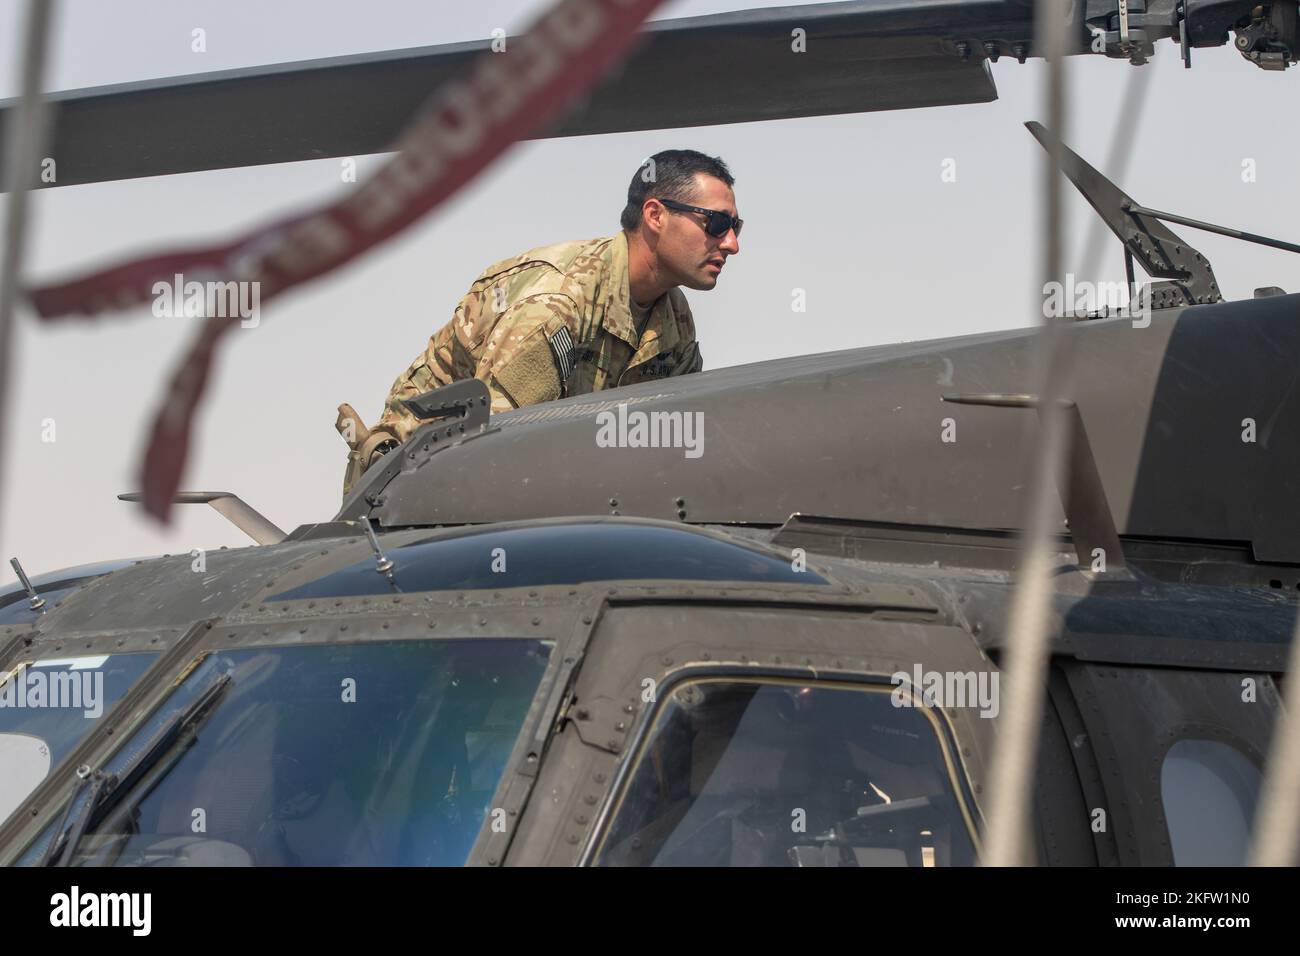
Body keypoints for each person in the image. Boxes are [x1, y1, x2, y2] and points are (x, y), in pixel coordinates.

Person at [337, 148, 741, 496]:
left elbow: (670, 447)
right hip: (412, 490)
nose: (732, 244)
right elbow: (493, 452)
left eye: (735, 228)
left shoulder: (674, 320)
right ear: (655, 215)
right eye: (718, 225)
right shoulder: (555, 303)